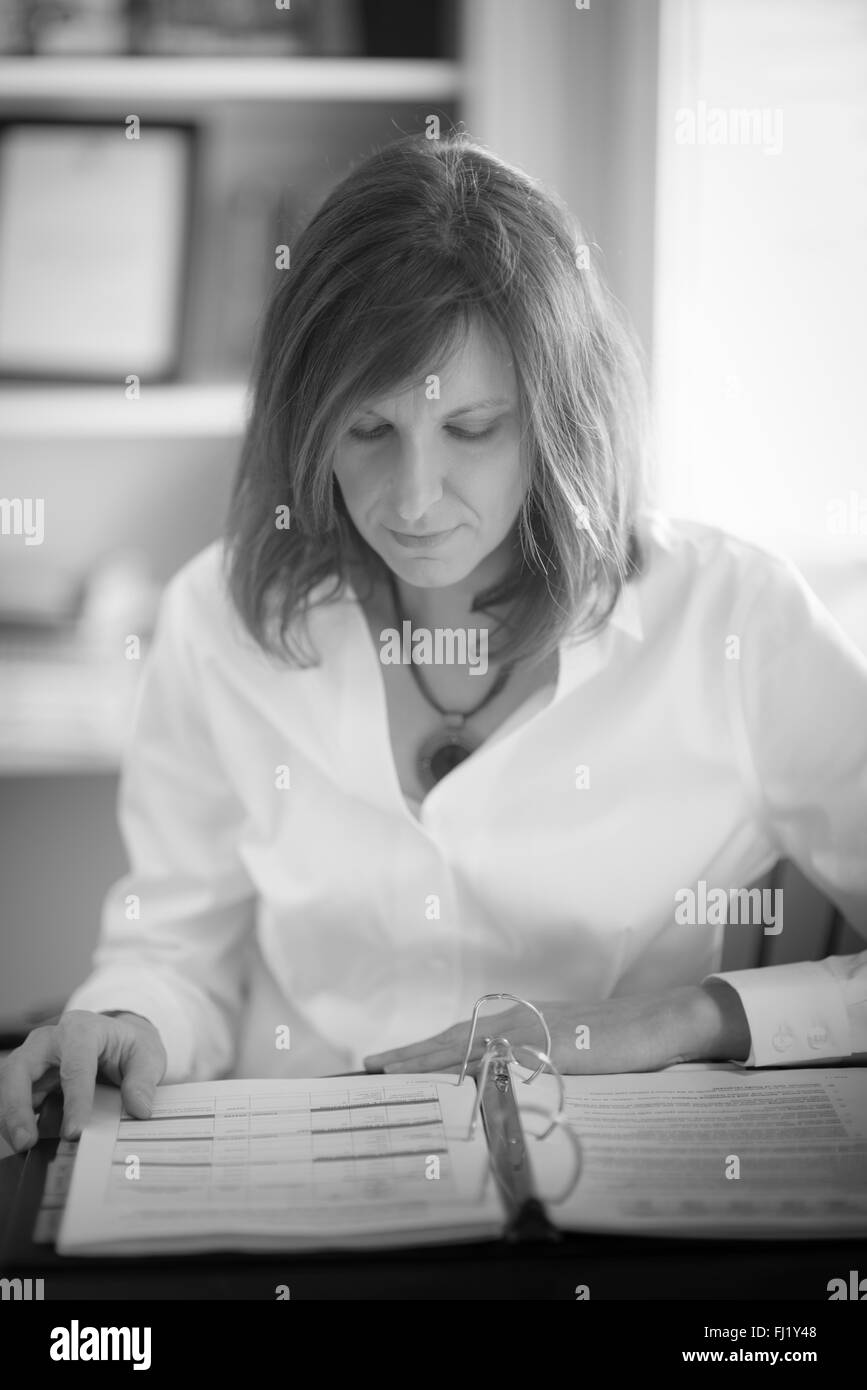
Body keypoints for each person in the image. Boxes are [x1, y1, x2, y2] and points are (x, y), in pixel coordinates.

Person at [2, 133, 865, 1154]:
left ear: (559, 418)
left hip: (608, 1183)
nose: (412, 502)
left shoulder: (732, 620)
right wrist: (131, 1018)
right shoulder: (217, 617)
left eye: (473, 429)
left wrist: (683, 1017)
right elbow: (177, 945)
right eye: (368, 432)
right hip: (300, 1170)